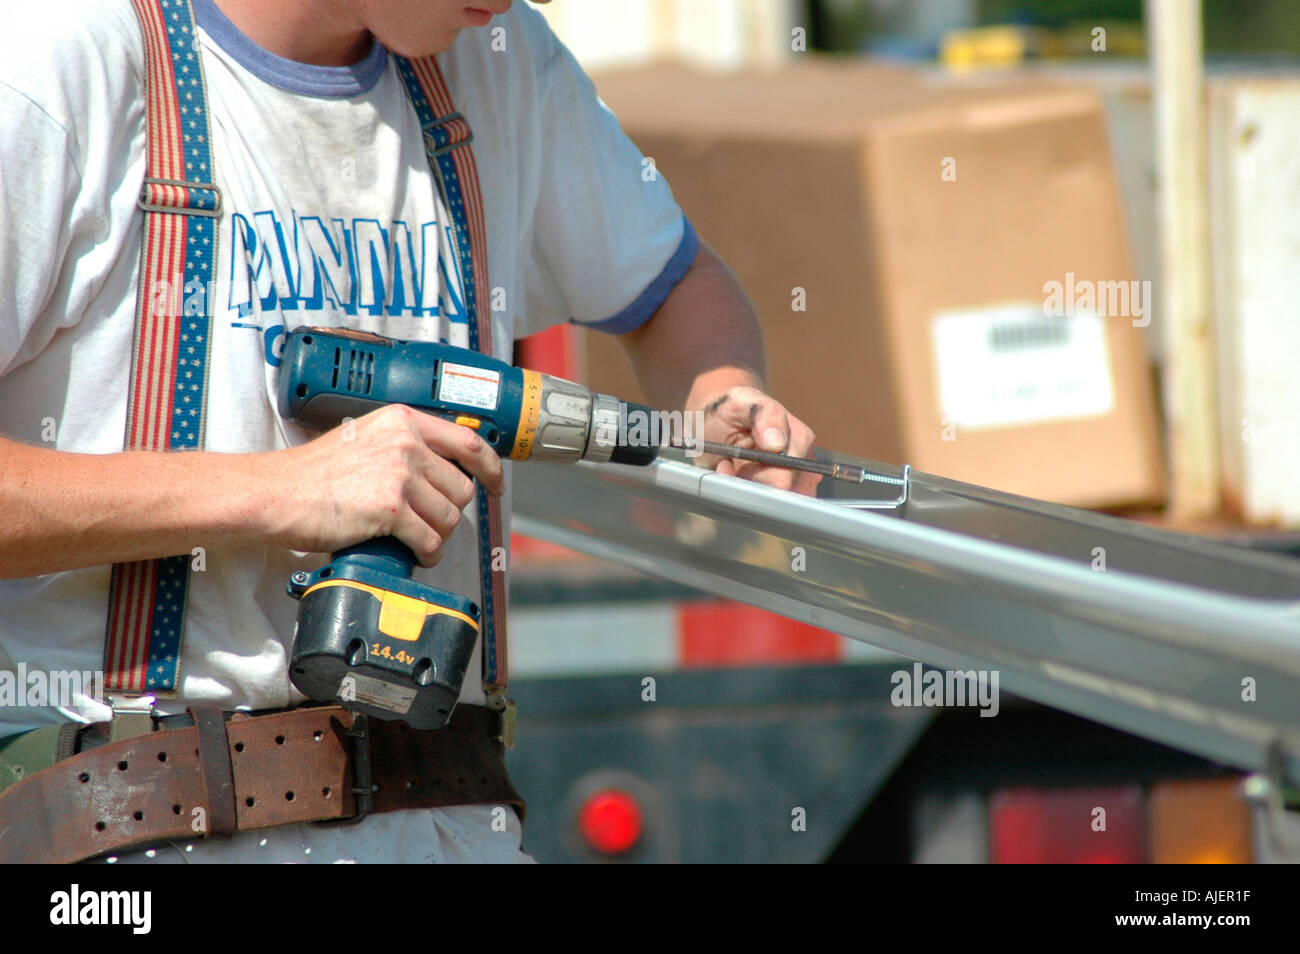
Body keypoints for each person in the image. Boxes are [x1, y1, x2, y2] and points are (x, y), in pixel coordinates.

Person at [0, 0, 817, 863]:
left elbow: (677, 283)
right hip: (137, 836)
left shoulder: (498, 62)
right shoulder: (64, 62)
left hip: (450, 817)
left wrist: (724, 394)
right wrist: (279, 491)